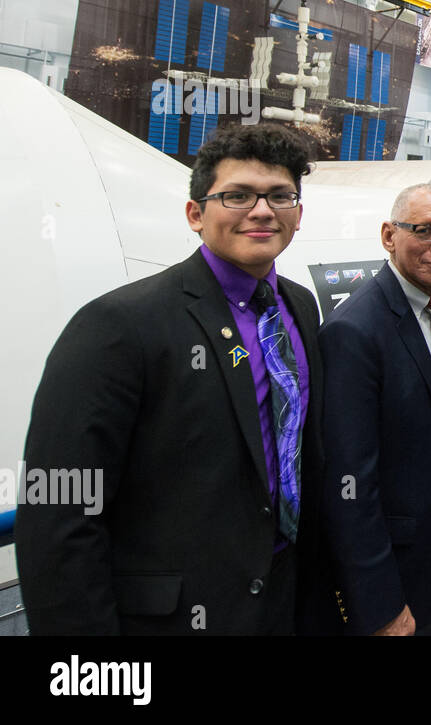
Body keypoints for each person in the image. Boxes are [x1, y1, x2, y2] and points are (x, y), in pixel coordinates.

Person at [16, 124, 326, 635]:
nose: (262, 210)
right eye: (238, 195)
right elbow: (59, 512)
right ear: (195, 214)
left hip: (284, 602)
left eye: (280, 196)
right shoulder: (120, 326)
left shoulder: (298, 307)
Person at [318, 183, 431, 635]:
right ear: (388, 236)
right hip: (393, 570)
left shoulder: (428, 311)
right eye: (424, 230)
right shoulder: (356, 330)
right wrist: (380, 604)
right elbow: (349, 484)